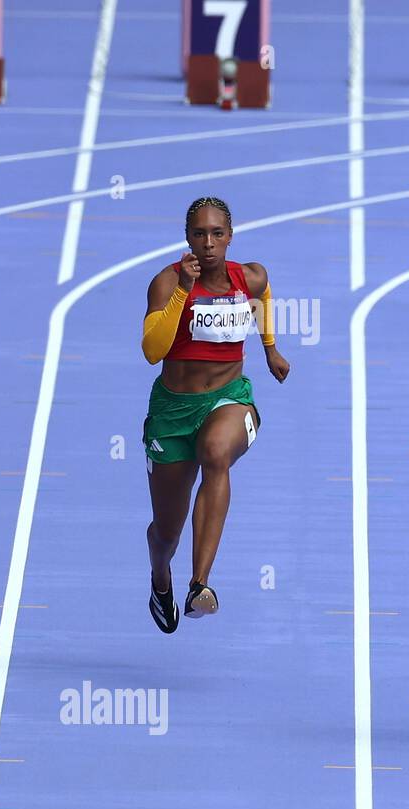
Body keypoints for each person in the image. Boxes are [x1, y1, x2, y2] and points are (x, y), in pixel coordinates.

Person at [140, 197, 290, 632]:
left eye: (217, 234)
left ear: (230, 236)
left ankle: (199, 584)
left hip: (229, 397)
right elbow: (152, 352)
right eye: (199, 234)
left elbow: (263, 295)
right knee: (166, 532)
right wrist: (185, 291)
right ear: (188, 238)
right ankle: (161, 577)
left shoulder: (250, 275)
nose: (208, 243)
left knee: (216, 452)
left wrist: (270, 349)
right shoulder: (167, 283)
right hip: (173, 411)